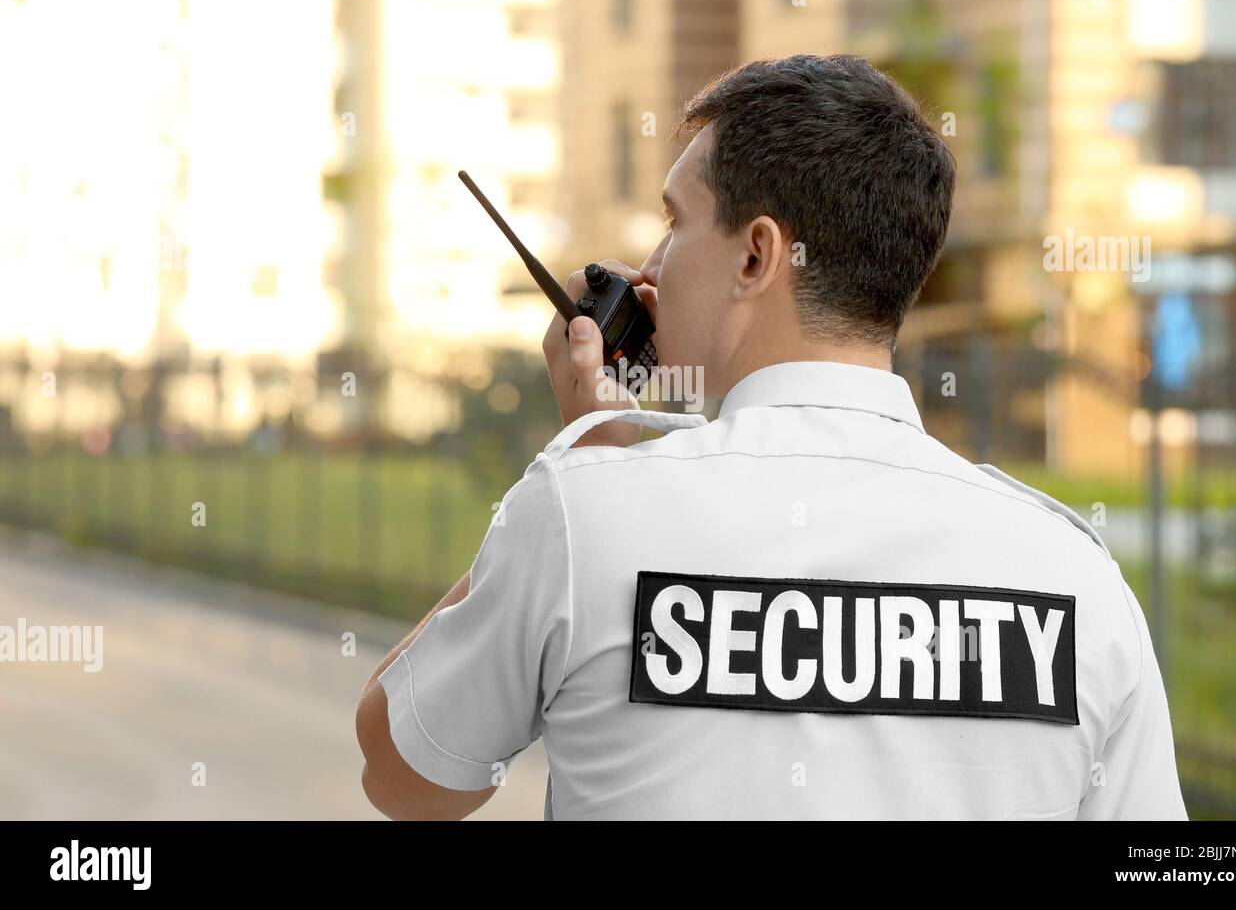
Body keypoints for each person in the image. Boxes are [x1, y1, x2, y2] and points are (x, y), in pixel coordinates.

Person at [355, 53, 1187, 820]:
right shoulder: (1077, 579)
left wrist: (592, 454)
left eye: (675, 222)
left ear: (757, 257)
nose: (649, 266)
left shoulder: (586, 513)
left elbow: (402, 772)